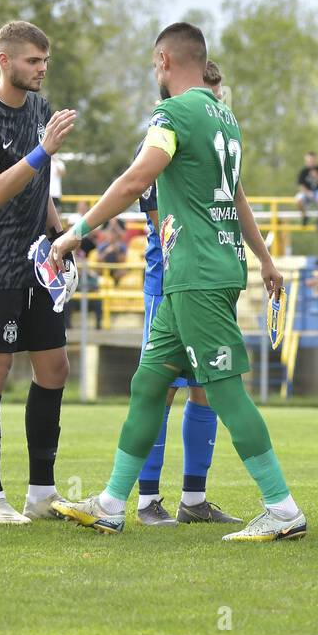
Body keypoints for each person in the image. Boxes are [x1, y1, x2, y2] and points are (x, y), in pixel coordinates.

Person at [49, 22, 304, 541]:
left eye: (153, 63)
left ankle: (282, 508)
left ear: (164, 60)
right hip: (203, 270)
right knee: (149, 383)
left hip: (195, 272)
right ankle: (112, 503)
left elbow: (136, 179)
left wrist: (75, 232)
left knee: (224, 390)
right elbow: (236, 197)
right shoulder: (225, 118)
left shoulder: (172, 113)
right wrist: (264, 257)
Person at [0, 20, 76, 525]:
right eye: (33, 61)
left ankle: (42, 493)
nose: (41, 69)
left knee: (55, 369)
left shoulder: (40, 110)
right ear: (5, 60)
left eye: (45, 61)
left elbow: (38, 186)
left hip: (36, 262)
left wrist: (61, 234)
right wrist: (41, 151)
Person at [128, 57, 240, 529]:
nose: (215, 104)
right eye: (210, 94)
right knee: (161, 391)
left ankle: (194, 498)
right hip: (171, 285)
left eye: (218, 96)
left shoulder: (211, 140)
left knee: (206, 390)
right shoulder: (163, 139)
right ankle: (147, 500)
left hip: (207, 280)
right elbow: (165, 224)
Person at [296, 151, 318, 223]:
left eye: (312, 160)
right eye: (308, 161)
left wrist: (317, 177)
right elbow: (301, 185)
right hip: (307, 192)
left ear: (315, 160)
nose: (310, 162)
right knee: (298, 199)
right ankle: (305, 217)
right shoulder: (303, 171)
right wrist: (307, 193)